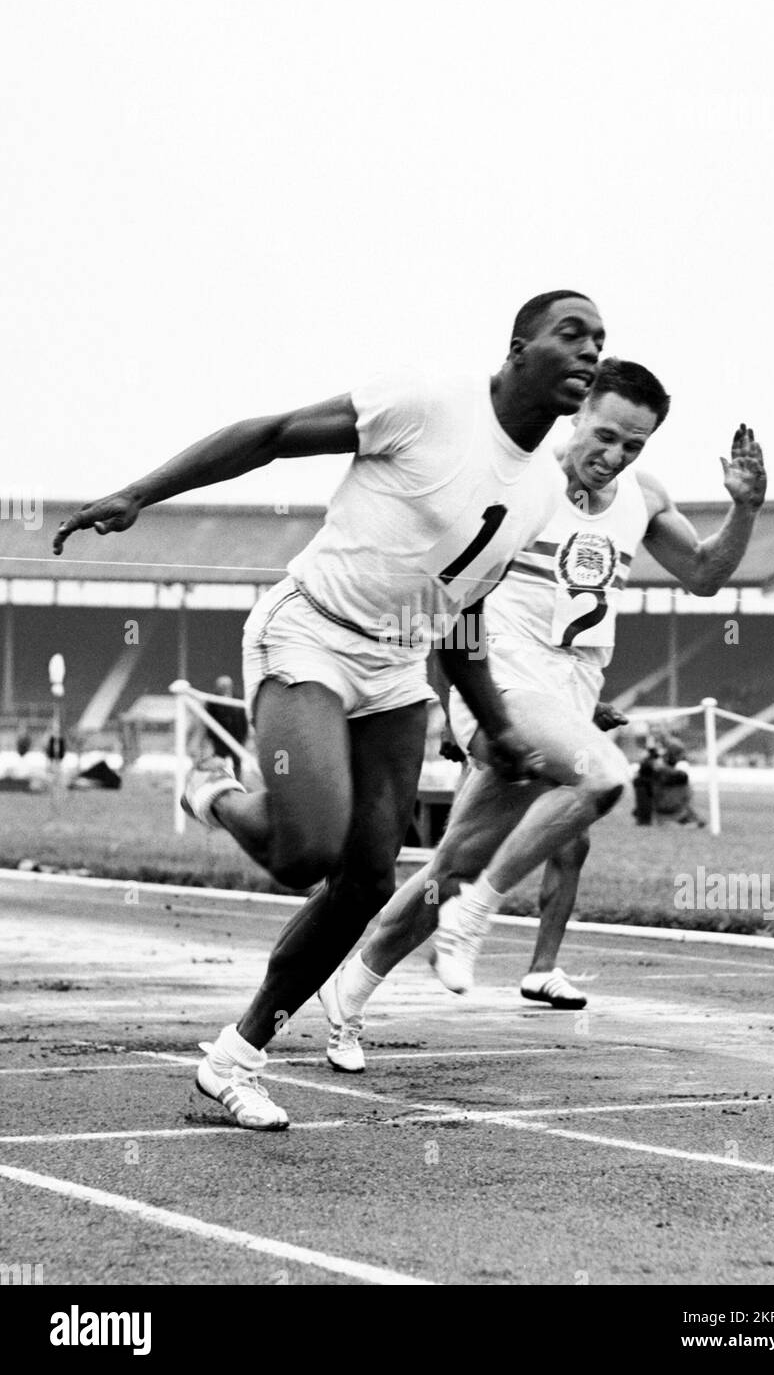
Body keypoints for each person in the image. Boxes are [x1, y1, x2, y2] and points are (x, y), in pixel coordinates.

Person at [53, 288, 606, 1129]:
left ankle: (236, 1058)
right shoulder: (425, 403)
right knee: (303, 850)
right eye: (573, 333)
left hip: (393, 668)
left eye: (601, 340)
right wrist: (140, 494)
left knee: (365, 881)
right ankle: (212, 791)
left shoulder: (537, 493)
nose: (591, 351)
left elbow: (457, 617)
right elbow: (272, 436)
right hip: (308, 631)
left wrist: (497, 729)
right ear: (519, 346)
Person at [317, 358, 767, 1071]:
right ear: (578, 411)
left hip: (567, 701)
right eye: (607, 436)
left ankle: (347, 994)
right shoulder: (518, 484)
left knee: (449, 868)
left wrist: (744, 508)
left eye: (634, 445)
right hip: (499, 692)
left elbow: (707, 576)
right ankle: (481, 911)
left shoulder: (642, 498)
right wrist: (457, 709)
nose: (614, 456)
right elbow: (447, 601)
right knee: (602, 779)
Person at [200, 675, 249, 782]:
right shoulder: (212, 701)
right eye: (222, 685)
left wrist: (243, 737)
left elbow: (243, 720)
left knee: (237, 764)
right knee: (218, 764)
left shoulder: (238, 698)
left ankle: (238, 784)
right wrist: (212, 738)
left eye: (227, 685)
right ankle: (219, 784)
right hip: (219, 741)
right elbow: (209, 721)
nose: (225, 687)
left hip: (237, 738)